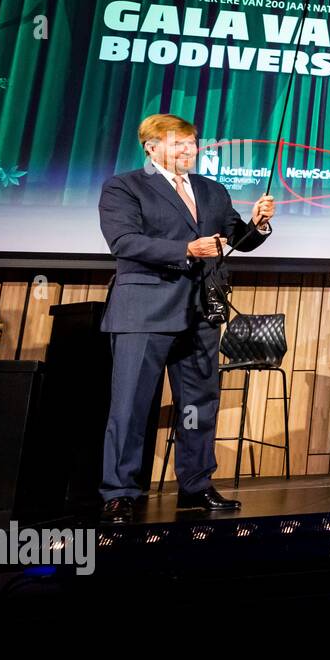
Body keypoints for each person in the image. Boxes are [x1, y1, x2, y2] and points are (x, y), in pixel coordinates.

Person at [97, 113, 275, 524]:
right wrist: (186, 251)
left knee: (199, 404)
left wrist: (259, 225)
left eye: (192, 143)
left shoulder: (212, 191)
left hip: (200, 313)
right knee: (131, 405)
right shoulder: (125, 186)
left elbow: (239, 240)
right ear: (152, 147)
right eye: (177, 143)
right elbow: (124, 242)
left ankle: (196, 485)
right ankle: (120, 491)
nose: (187, 150)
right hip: (144, 311)